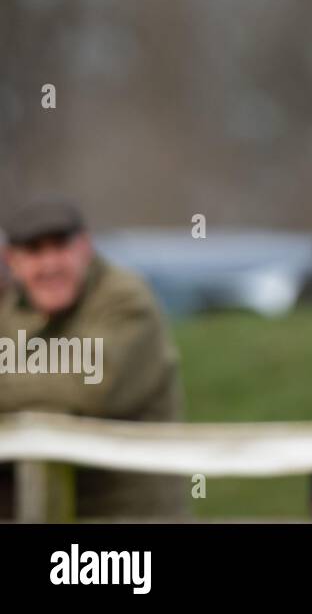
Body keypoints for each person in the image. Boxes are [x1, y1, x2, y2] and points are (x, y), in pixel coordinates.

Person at [0, 197, 188, 519]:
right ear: (12, 261)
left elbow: (96, 384)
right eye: (34, 252)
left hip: (128, 527)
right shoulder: (11, 311)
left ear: (85, 246)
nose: (50, 265)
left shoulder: (126, 299)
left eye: (60, 247)